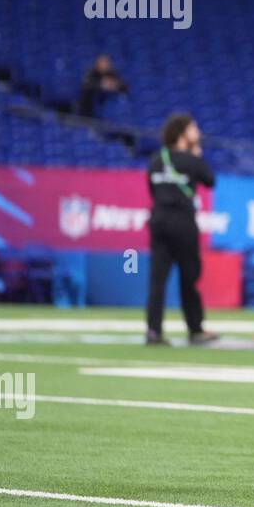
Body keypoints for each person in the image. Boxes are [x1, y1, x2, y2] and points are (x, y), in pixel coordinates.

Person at [145, 114, 217, 346]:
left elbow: (152, 190)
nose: (198, 132)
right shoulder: (191, 160)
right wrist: (197, 156)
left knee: (157, 280)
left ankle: (153, 331)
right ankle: (195, 329)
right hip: (183, 224)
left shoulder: (156, 159)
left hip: (158, 222)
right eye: (193, 128)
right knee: (189, 278)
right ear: (182, 133)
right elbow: (210, 180)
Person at [78, 54, 129, 118]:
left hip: (106, 105)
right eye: (102, 62)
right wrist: (100, 85)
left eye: (106, 63)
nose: (105, 65)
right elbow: (85, 85)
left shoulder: (112, 73)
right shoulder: (91, 72)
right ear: (97, 64)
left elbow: (124, 86)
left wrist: (114, 85)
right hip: (88, 108)